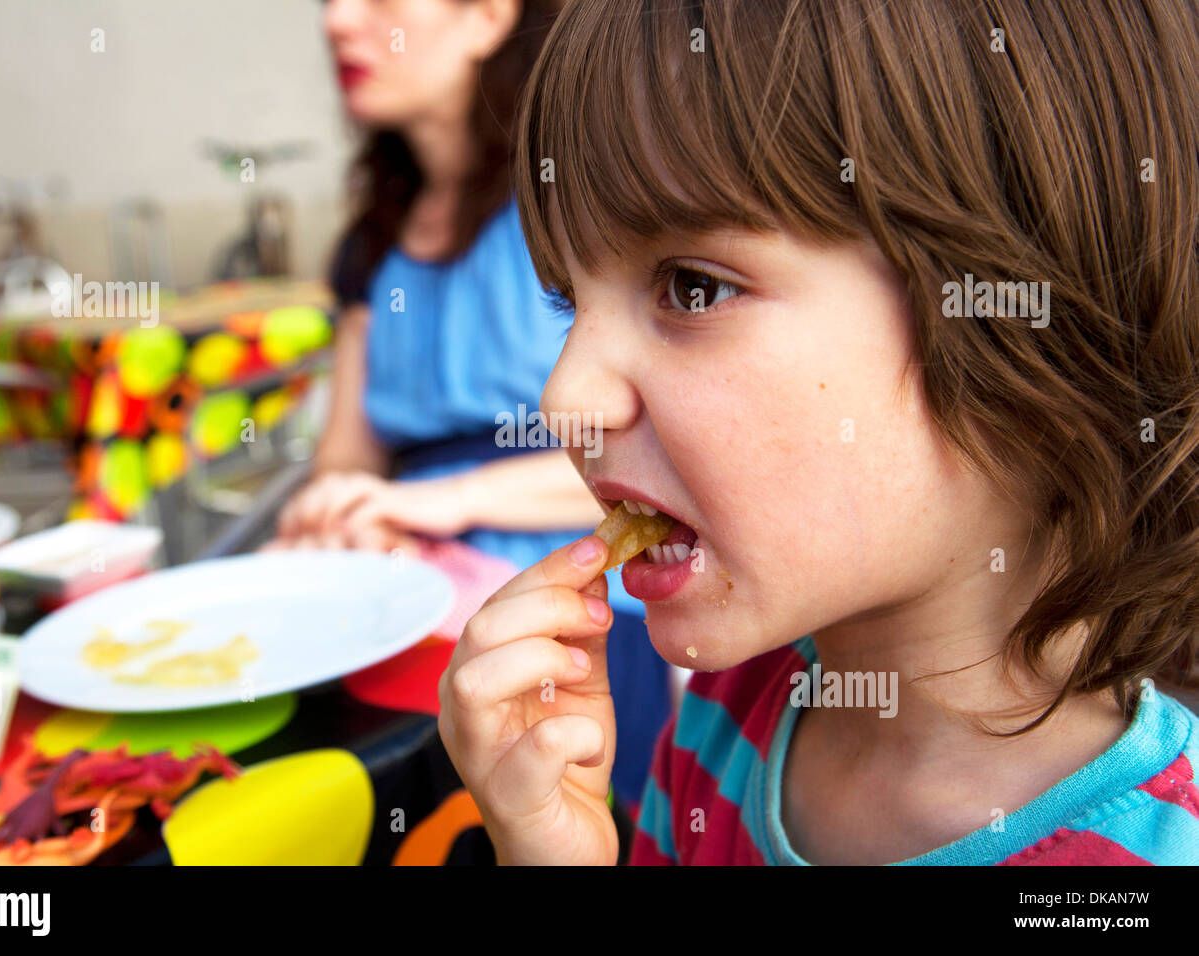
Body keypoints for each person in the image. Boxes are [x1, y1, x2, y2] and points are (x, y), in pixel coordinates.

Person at [437, 0, 1199, 865]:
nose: (565, 395)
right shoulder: (732, 708)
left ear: (1019, 320)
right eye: (570, 303)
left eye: (693, 287)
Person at [267, 0, 671, 811]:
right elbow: (348, 461)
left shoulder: (576, 200)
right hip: (405, 586)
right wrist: (345, 509)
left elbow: (658, 443)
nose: (340, 22)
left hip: (575, 590)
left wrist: (440, 501)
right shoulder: (372, 243)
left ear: (489, 17)